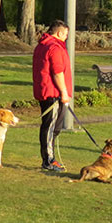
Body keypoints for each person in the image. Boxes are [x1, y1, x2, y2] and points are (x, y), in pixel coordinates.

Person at [32, 20, 72, 172]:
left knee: (53, 127)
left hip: (44, 91)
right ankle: (48, 160)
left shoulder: (41, 46)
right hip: (53, 94)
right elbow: (57, 72)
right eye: (66, 34)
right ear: (60, 33)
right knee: (51, 127)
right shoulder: (54, 48)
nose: (66, 37)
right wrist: (63, 92)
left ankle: (50, 158)